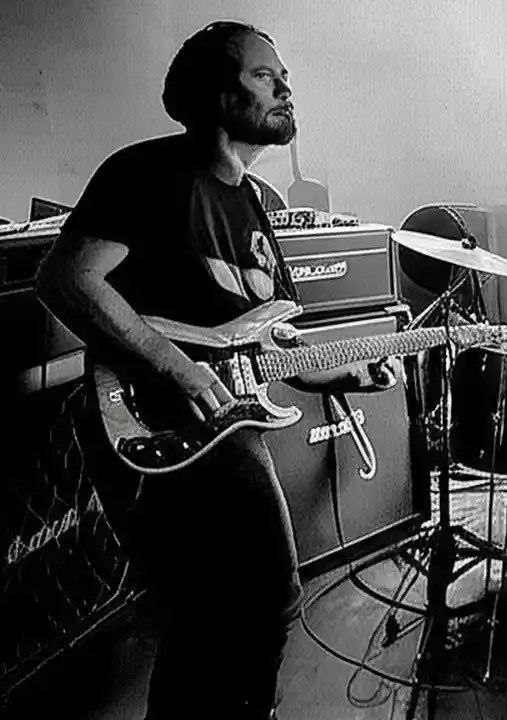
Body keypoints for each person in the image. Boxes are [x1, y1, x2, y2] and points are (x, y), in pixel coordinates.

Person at [35, 21, 392, 720]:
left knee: (256, 609)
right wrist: (176, 368)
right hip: (159, 424)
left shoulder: (256, 204)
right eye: (265, 75)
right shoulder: (149, 171)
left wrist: (347, 376)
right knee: (223, 615)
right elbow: (67, 279)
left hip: (229, 428)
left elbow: (269, 347)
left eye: (285, 74)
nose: (287, 86)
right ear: (213, 92)